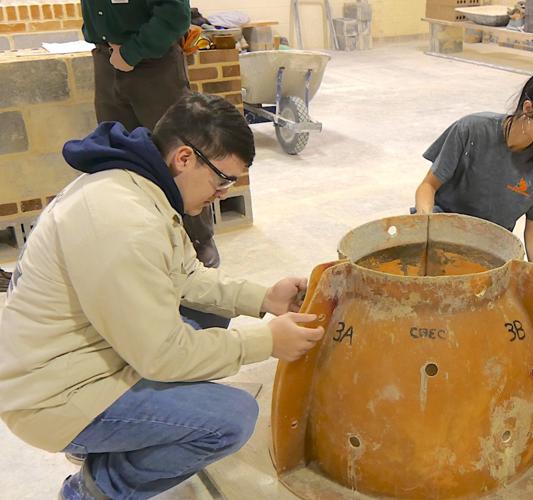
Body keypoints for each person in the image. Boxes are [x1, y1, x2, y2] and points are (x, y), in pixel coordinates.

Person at [0, 93, 325, 500]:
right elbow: (162, 355)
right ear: (185, 158)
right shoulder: (124, 221)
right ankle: (91, 488)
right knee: (231, 418)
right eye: (222, 180)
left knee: (208, 317)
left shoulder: (137, 184)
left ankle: (115, 441)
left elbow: (185, 278)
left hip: (78, 357)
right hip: (54, 397)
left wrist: (265, 299)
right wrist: (267, 342)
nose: (223, 193)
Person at [81, 0, 225, 327]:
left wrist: (132, 52)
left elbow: (174, 13)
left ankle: (198, 244)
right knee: (118, 157)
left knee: (179, 155)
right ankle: (136, 246)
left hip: (153, 64)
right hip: (106, 59)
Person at [413, 63, 533, 265]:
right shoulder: (472, 130)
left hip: (489, 252)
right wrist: (426, 226)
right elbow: (428, 186)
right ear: (528, 109)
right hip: (441, 237)